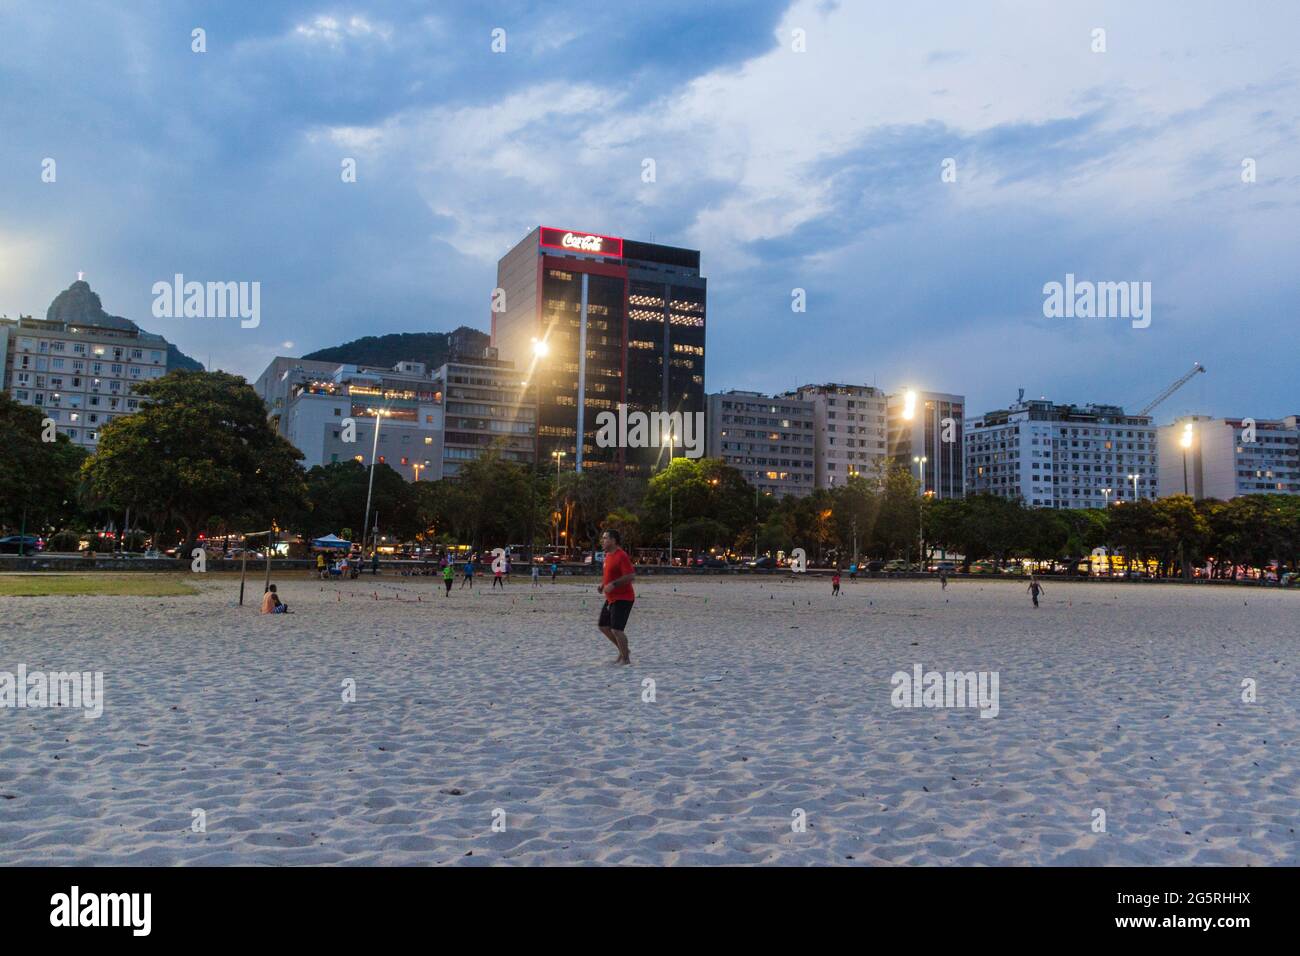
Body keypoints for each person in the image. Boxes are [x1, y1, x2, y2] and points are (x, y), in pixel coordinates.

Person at [596, 528, 636, 665]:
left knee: (617, 629)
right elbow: (610, 575)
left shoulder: (621, 555)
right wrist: (603, 585)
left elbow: (631, 576)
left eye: (605, 538)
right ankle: (623, 650)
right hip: (611, 598)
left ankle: (626, 659)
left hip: (624, 598)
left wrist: (613, 584)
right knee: (603, 626)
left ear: (613, 540)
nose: (603, 541)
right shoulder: (607, 555)